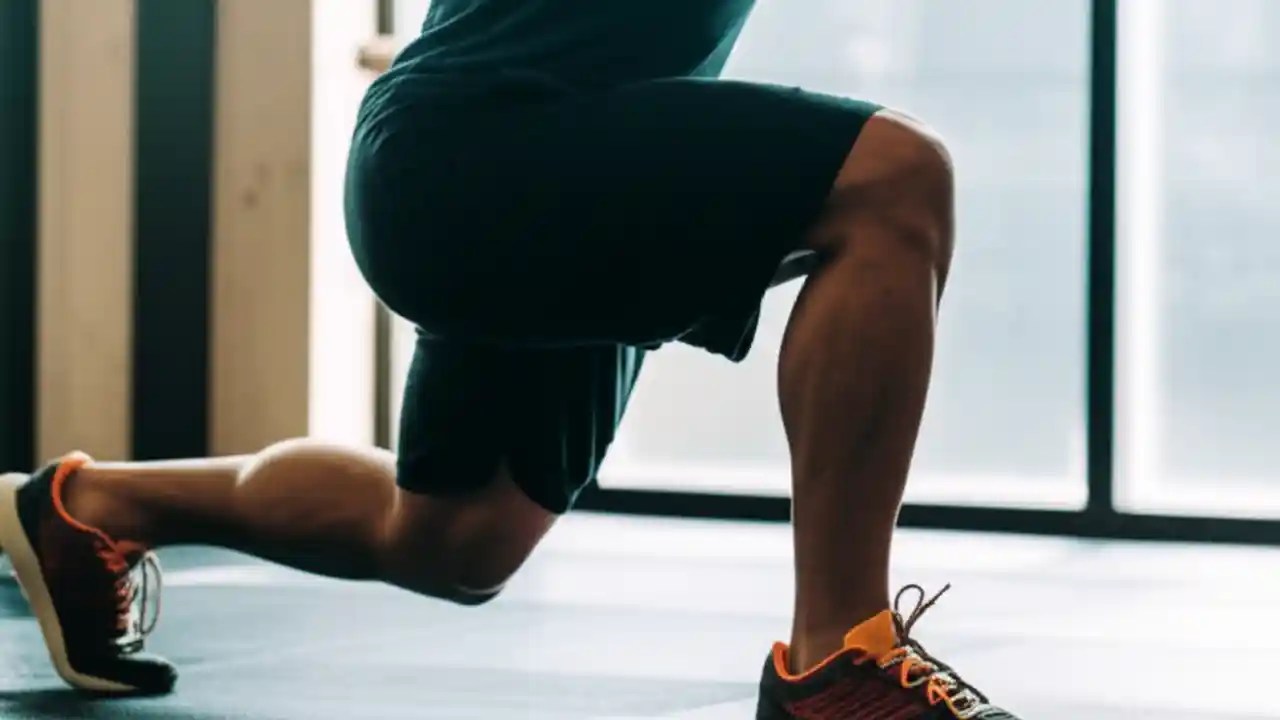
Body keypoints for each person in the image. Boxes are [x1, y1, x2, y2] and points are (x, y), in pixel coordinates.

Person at [0, 1, 1018, 718]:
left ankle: (91, 510)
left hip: (522, 151)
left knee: (458, 536)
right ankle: (834, 661)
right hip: (480, 153)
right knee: (894, 180)